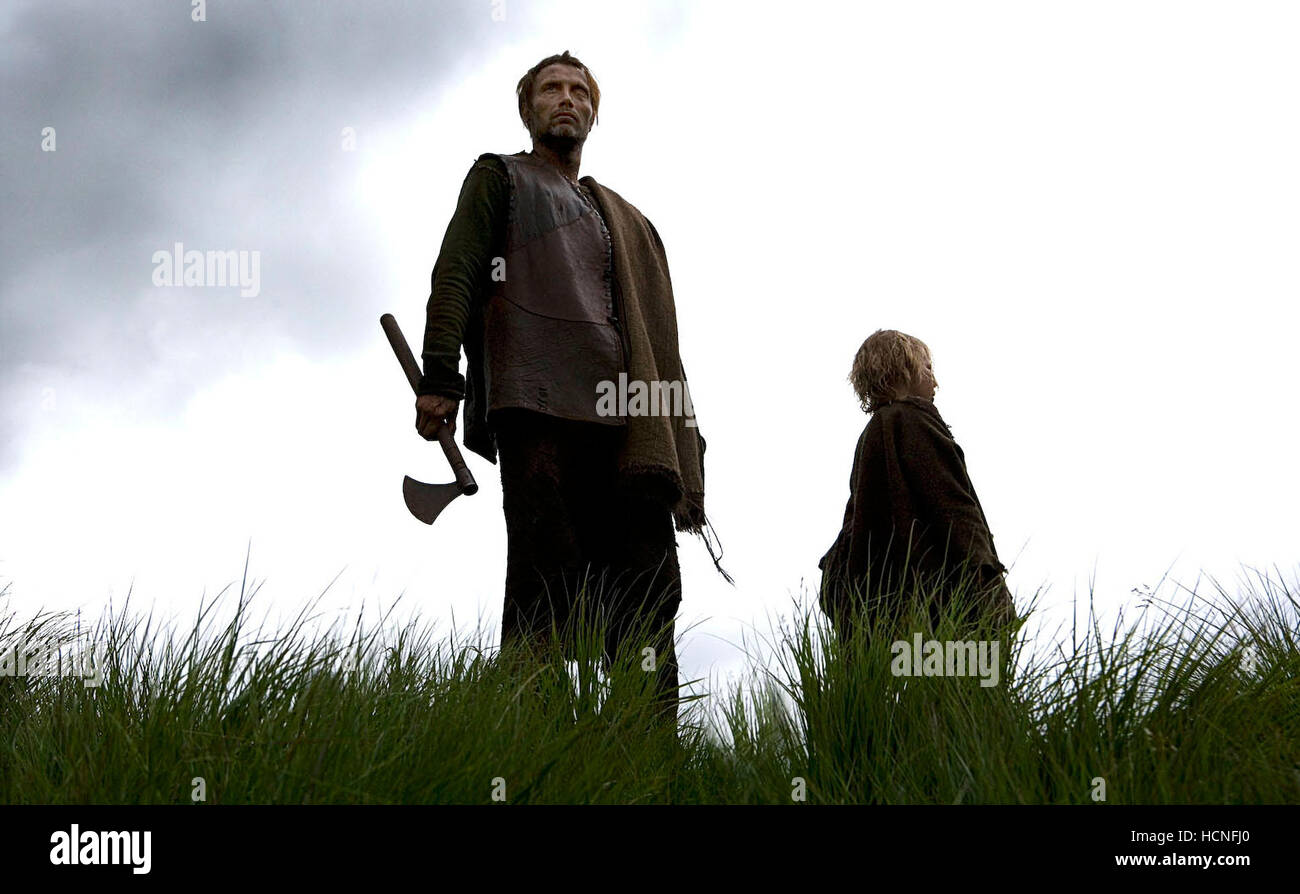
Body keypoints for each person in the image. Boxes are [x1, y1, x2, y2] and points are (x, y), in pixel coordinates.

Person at [412, 51, 726, 730]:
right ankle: (534, 747)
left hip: (631, 432)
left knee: (648, 598)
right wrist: (442, 377)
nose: (567, 99)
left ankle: (645, 759)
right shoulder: (501, 178)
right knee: (543, 586)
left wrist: (685, 449)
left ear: (593, 111)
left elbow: (666, 347)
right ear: (529, 109)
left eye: (579, 91)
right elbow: (457, 272)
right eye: (552, 89)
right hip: (540, 411)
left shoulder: (630, 221)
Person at [818, 330, 1016, 651]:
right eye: (927, 370)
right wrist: (988, 579)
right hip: (940, 606)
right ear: (902, 370)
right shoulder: (913, 421)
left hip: (898, 616)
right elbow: (954, 507)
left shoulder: (872, 435)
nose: (935, 383)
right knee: (965, 692)